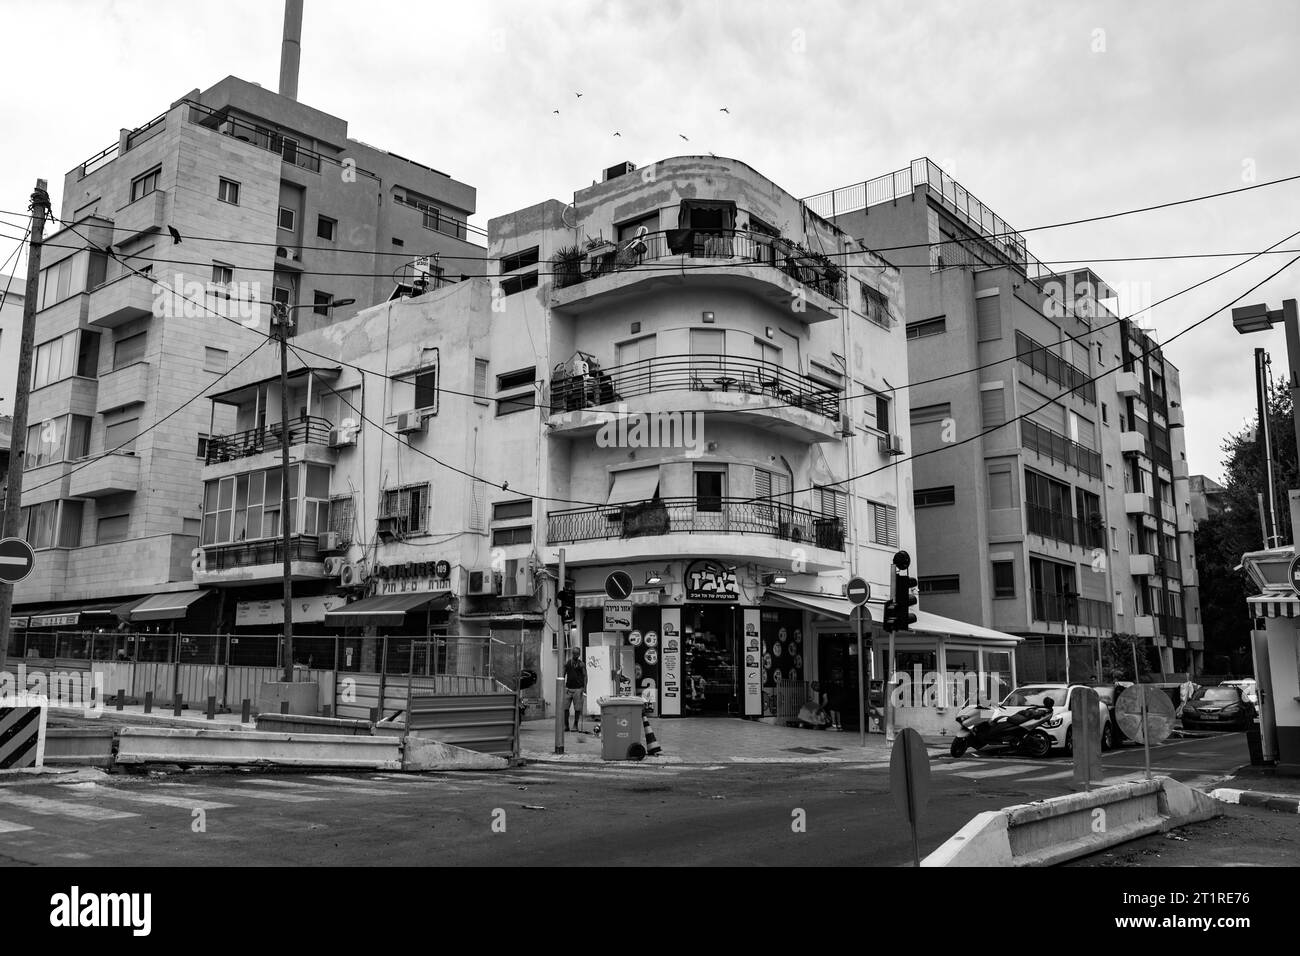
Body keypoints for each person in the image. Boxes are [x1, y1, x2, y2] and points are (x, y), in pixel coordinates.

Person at [563, 648, 586, 733]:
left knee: (577, 708)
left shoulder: (581, 664)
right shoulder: (568, 663)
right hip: (568, 688)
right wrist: (562, 686)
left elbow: (585, 676)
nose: (575, 655)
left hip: (578, 689)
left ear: (579, 654)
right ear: (572, 653)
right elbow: (563, 673)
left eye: (577, 654)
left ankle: (575, 725)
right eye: (574, 653)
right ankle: (566, 725)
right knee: (565, 708)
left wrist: (584, 688)